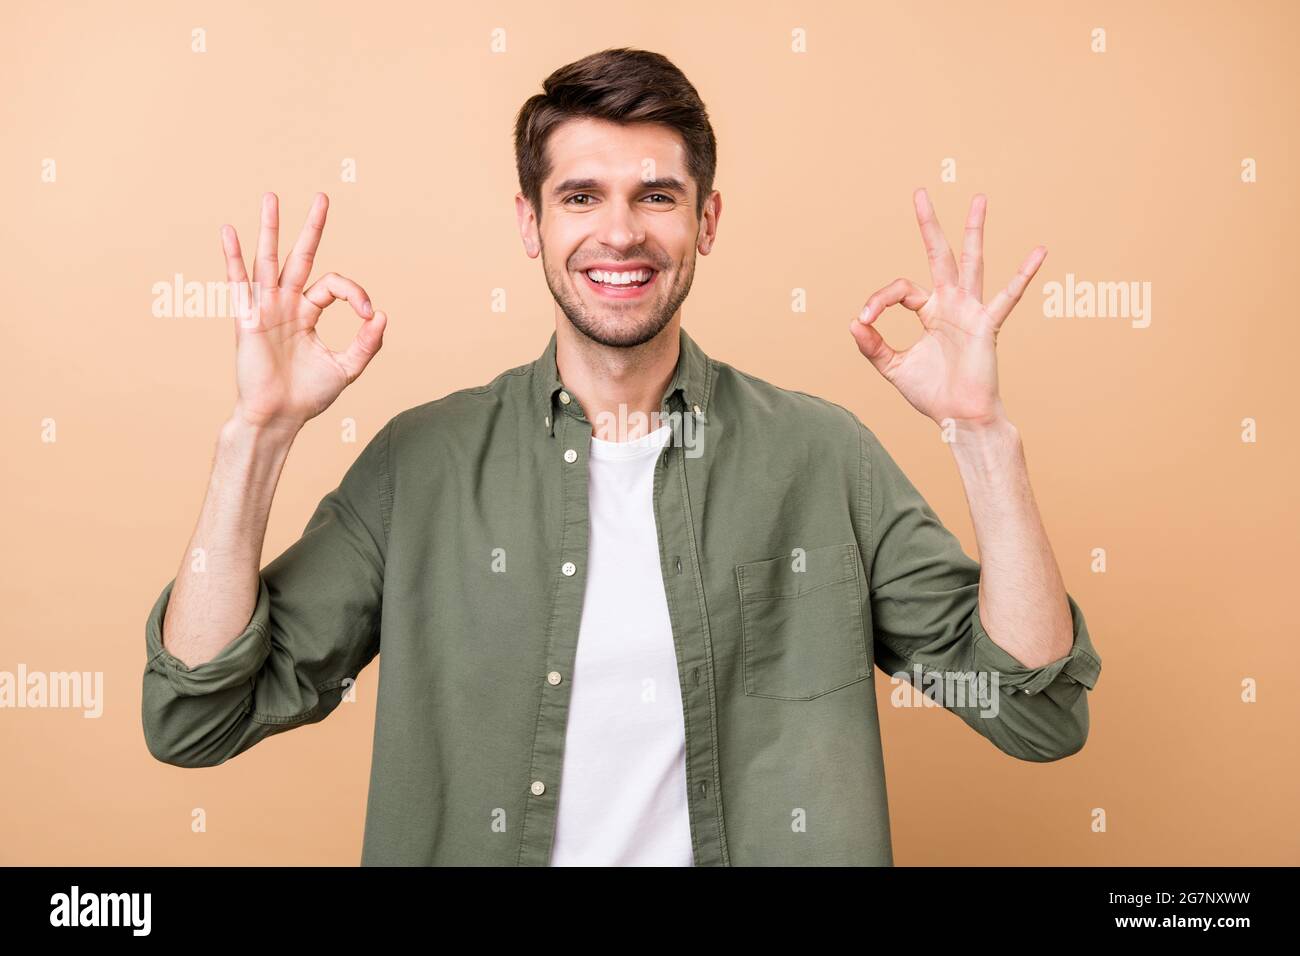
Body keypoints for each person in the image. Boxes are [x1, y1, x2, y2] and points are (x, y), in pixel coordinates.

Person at [142, 47, 1101, 866]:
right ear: (532, 224)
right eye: (580, 195)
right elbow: (196, 718)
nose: (621, 232)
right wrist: (257, 438)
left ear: (707, 222)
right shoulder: (420, 466)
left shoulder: (820, 457)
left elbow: (1037, 713)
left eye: (657, 195)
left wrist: (980, 435)